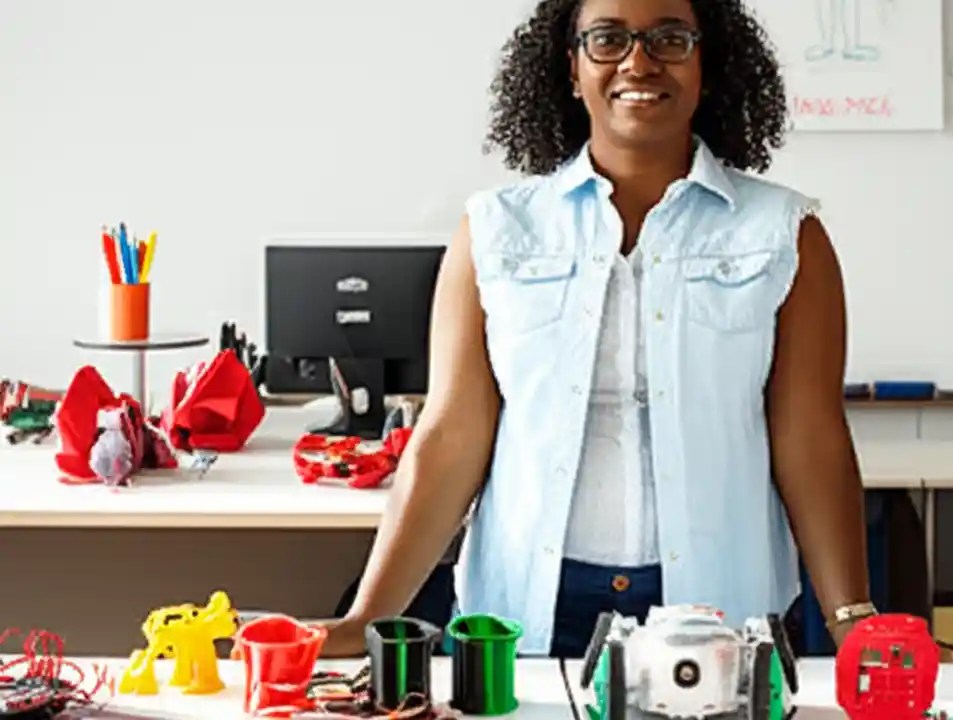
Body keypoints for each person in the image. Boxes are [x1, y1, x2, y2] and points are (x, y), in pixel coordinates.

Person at [318, 0, 887, 659]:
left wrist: (854, 620)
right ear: (572, 67)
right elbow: (451, 436)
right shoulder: (496, 232)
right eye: (608, 39)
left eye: (670, 39)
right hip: (524, 613)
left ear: (707, 63)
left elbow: (810, 436)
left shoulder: (785, 234)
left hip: (720, 615)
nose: (639, 61)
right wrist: (366, 619)